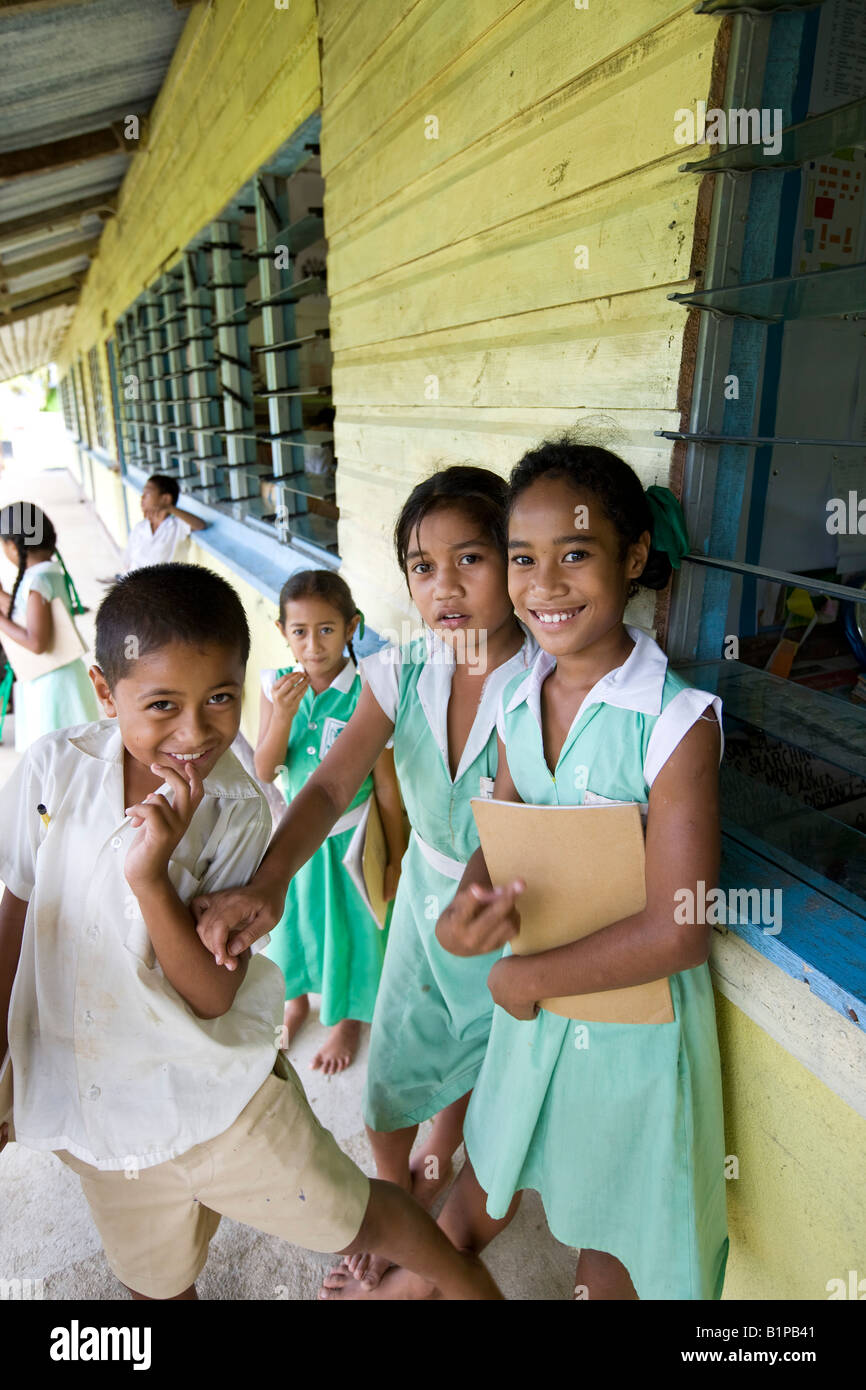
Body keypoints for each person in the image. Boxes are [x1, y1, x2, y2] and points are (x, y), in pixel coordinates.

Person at [0, 561, 501, 1303]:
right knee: (155, 1283)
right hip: (100, 1114)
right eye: (162, 704)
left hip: (222, 1101)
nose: (195, 731)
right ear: (106, 693)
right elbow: (13, 914)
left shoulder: (235, 808)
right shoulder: (50, 772)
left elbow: (208, 996)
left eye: (221, 699)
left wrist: (149, 877)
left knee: (360, 1217)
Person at [322, 435, 729, 1301]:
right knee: (491, 1172)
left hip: (629, 1029)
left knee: (604, 1238)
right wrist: (473, 897)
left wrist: (529, 974)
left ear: (635, 559)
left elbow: (682, 928)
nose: (544, 585)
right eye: (523, 559)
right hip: (535, 1007)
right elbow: (499, 835)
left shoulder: (674, 722)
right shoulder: (515, 695)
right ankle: (411, 1276)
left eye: (575, 555)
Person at [193, 466, 539, 1291]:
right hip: (426, 903)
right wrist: (271, 881)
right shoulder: (404, 672)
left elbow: (518, 816)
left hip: (515, 915)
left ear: (516, 560)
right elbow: (325, 785)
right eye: (423, 566)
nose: (444, 585)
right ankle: (396, 1195)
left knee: (492, 1072)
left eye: (472, 559)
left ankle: (444, 1184)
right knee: (395, 1078)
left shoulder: (548, 680)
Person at [255, 569, 405, 1075]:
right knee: (292, 928)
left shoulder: (368, 690)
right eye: (299, 631)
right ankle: (295, 1002)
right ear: (282, 633)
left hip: (350, 842)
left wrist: (397, 854)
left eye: (326, 629)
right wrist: (280, 717)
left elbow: (386, 784)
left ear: (351, 628)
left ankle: (346, 1018)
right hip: (297, 838)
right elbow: (263, 768)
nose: (312, 644)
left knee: (350, 934)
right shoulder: (276, 687)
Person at [0, 501, 99, 751]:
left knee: (55, 756)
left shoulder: (37, 580)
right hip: (60, 676)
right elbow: (31, 611)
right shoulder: (49, 572)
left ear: (13, 546)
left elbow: (36, 642)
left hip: (51, 686)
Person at [112, 474, 206, 577]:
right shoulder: (140, 527)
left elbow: (200, 525)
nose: (142, 497)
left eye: (147, 493)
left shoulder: (176, 526)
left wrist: (169, 508)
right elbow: (127, 561)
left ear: (166, 499)